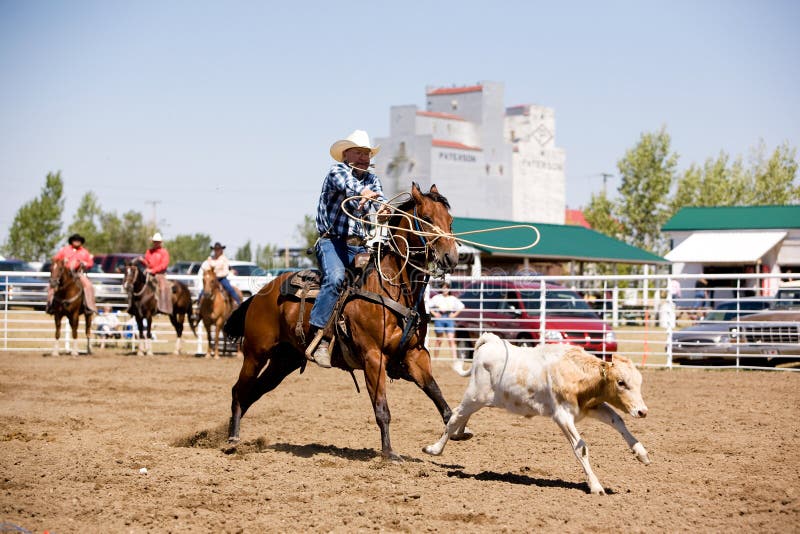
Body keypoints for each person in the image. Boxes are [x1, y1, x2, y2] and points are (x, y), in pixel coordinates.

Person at [306, 130, 387, 368]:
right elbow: (350, 185)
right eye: (359, 152)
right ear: (345, 154)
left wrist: (383, 210)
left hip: (359, 246)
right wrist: (364, 194)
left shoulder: (372, 179)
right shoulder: (337, 171)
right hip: (332, 242)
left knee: (382, 282)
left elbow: (378, 201)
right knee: (336, 278)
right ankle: (319, 336)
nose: (364, 157)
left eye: (367, 153)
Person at [47, 233, 97, 314]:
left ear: (81, 242)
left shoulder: (84, 252)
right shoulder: (65, 250)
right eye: (75, 240)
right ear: (72, 241)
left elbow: (90, 263)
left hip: (78, 273)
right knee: (52, 285)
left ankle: (89, 306)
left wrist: (84, 264)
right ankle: (50, 305)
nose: (77, 242)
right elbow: (55, 259)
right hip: (64, 274)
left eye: (79, 240)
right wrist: (63, 260)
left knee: (88, 286)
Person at [427, 283, 465, 358]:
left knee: (451, 339)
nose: (445, 290)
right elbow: (428, 305)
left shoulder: (452, 298)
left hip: (449, 317)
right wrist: (434, 314)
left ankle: (454, 359)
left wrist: (454, 314)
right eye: (443, 288)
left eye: (446, 288)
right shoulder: (437, 297)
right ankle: (436, 358)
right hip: (440, 317)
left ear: (449, 289)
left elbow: (461, 306)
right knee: (439, 340)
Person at [139, 232, 173, 314]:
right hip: (148, 273)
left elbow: (164, 265)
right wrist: (143, 261)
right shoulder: (149, 251)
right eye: (154, 241)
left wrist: (153, 270)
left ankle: (164, 307)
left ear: (160, 242)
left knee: (163, 287)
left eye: (157, 241)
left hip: (159, 275)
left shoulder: (164, 252)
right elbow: (148, 263)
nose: (156, 243)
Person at [199, 242, 241, 306]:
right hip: (211, 279)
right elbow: (206, 267)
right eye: (215, 249)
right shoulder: (210, 258)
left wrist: (217, 276)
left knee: (230, 288)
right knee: (203, 291)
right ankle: (199, 306)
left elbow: (226, 271)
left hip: (221, 278)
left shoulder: (224, 259)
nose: (217, 251)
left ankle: (238, 303)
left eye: (218, 249)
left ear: (221, 250)